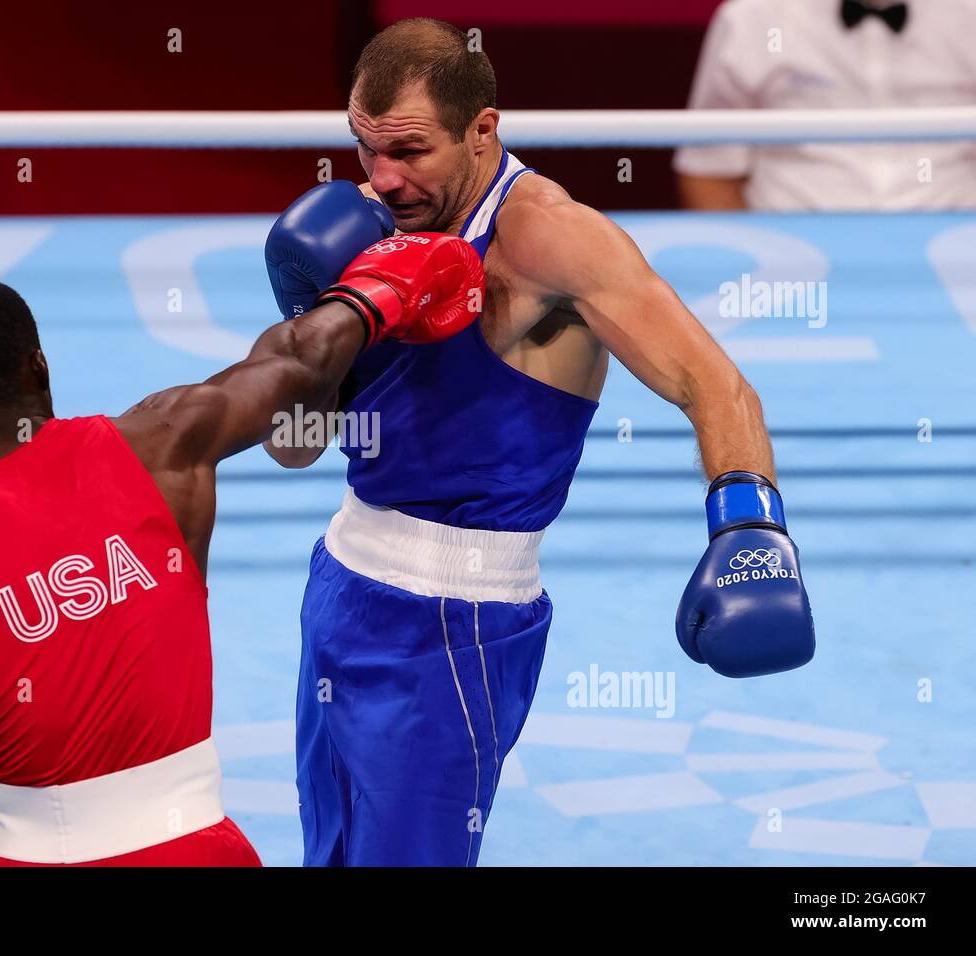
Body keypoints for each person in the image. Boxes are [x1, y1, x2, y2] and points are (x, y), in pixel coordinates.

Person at [262, 17, 816, 867]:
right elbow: (295, 448)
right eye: (364, 148)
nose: (381, 179)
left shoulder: (552, 238)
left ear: (483, 129)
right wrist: (312, 328)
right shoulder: (365, 227)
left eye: (409, 152)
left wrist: (750, 531)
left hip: (456, 621)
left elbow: (717, 385)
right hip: (339, 585)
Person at [0, 233, 484, 866]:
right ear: (38, 365)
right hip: (199, 849)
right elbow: (300, 362)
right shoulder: (162, 445)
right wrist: (384, 289)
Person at [675, 0, 976, 210]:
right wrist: (753, 267)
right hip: (790, 256)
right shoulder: (750, 18)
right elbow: (708, 170)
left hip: (956, 250)